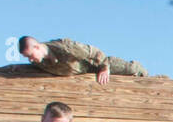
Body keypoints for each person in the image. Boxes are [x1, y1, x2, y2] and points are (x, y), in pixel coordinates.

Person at [18, 37, 147, 86]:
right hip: (81, 74)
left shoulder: (65, 48)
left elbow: (96, 53)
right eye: (27, 58)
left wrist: (104, 68)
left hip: (96, 65)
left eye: (30, 55)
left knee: (133, 70)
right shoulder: (37, 62)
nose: (30, 60)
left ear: (37, 47)